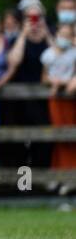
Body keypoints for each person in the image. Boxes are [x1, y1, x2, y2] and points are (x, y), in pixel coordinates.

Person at [41, 22, 76, 174]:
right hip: (55, 100)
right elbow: (44, 78)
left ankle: (70, 172)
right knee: (58, 135)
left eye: (68, 36)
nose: (64, 38)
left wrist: (62, 82)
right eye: (62, 35)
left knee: (70, 134)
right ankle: (59, 172)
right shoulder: (48, 55)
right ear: (56, 35)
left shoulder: (74, 53)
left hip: (70, 99)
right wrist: (53, 82)